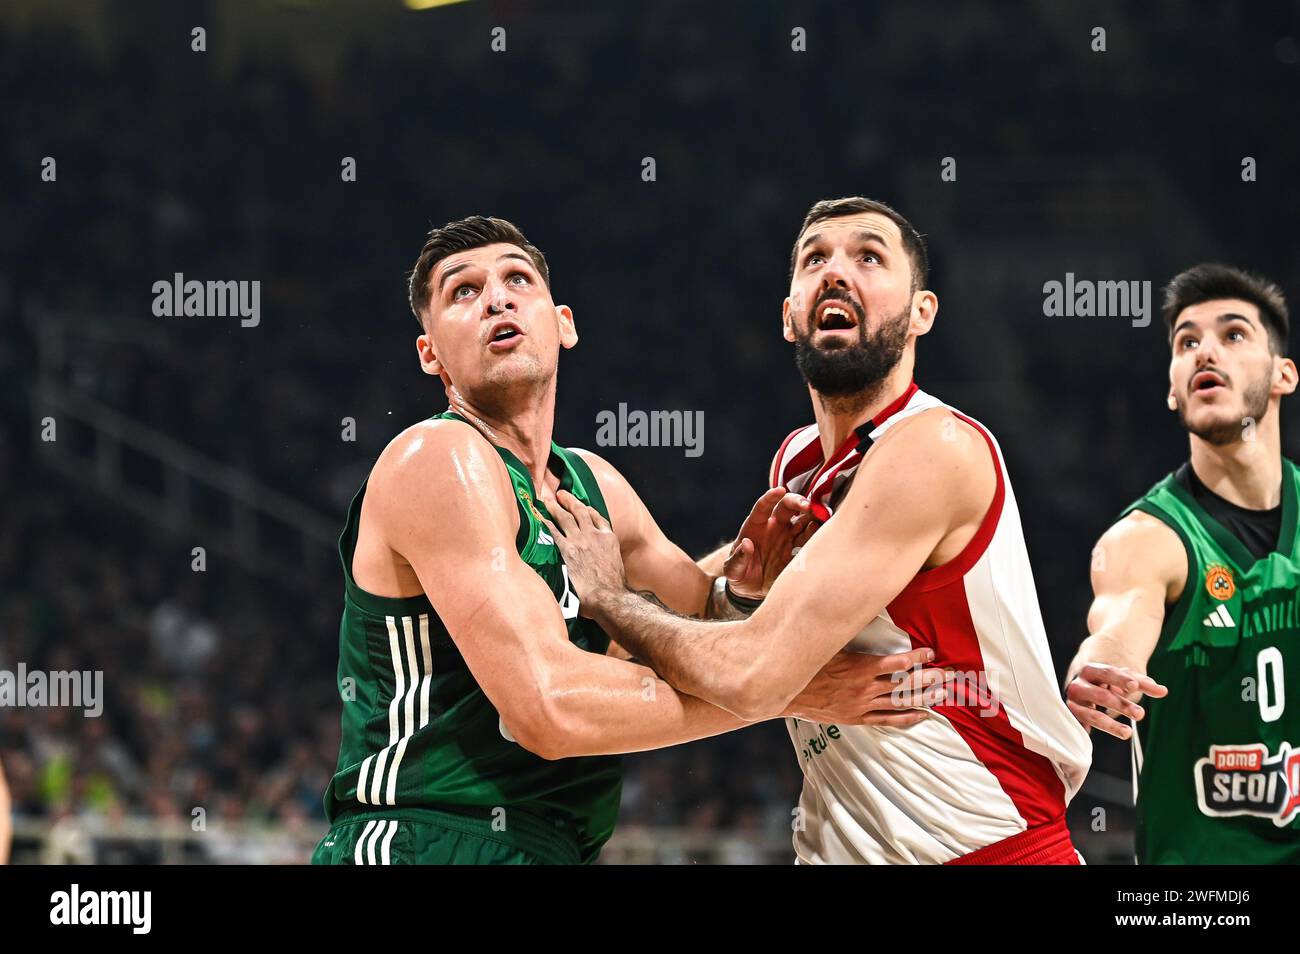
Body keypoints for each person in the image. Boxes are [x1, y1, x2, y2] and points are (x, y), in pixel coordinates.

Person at [311, 215, 942, 866]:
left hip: (554, 848)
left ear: (563, 324)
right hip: (420, 837)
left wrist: (740, 589)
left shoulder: (596, 487)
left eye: (517, 279)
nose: (496, 298)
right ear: (430, 354)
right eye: (463, 291)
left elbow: (698, 631)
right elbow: (548, 710)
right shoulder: (438, 458)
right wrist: (786, 691)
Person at [547, 196, 1092, 864]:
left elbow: (753, 675)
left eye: (869, 257)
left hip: (990, 849)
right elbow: (725, 630)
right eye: (815, 259)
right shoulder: (798, 464)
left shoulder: (934, 448)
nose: (836, 271)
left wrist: (610, 598)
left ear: (922, 312)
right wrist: (739, 596)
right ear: (788, 316)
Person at [1067, 263, 1300, 863]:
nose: (1205, 352)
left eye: (1233, 334)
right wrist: (1104, 667)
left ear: (1283, 375)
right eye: (1186, 342)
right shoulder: (1146, 540)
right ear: (1173, 389)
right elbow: (1118, 627)